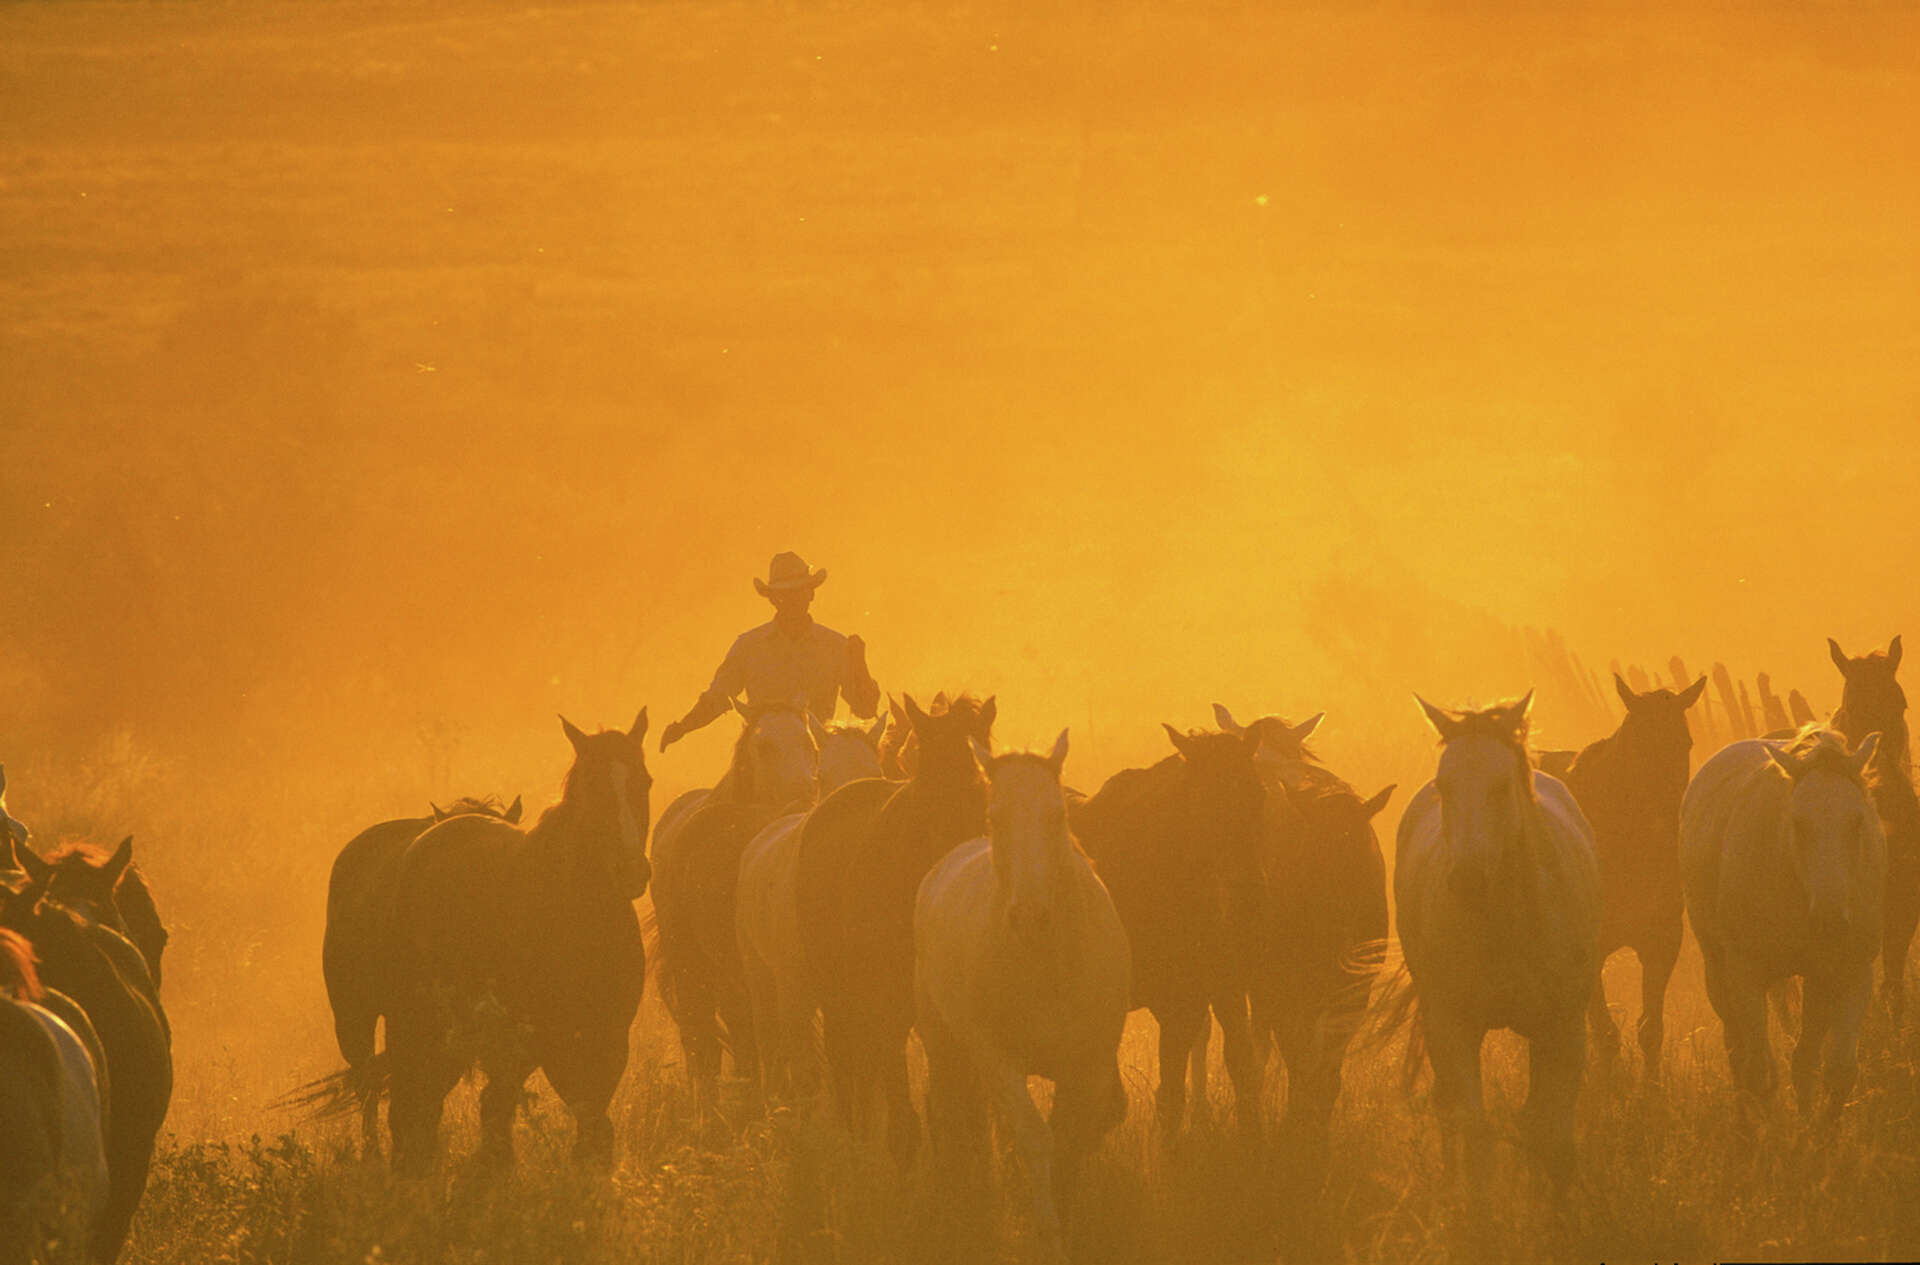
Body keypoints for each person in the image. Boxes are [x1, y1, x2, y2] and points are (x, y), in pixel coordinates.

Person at [659, 552, 881, 752]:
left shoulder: (835, 646)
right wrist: (684, 726)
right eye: (784, 594)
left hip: (817, 758)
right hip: (761, 759)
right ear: (773, 599)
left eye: (798, 592)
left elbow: (865, 710)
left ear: (811, 594)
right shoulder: (749, 646)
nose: (792, 600)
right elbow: (717, 698)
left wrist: (859, 666)